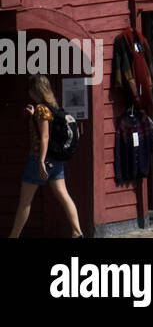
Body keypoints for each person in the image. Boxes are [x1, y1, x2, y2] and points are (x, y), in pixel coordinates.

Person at [8, 75, 82, 238]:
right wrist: (34, 115)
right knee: (63, 195)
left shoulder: (42, 109)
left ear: (35, 91)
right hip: (56, 160)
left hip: (39, 159)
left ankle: (13, 236)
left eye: (30, 88)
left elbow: (45, 136)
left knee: (25, 202)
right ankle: (77, 232)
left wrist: (40, 160)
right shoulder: (51, 107)